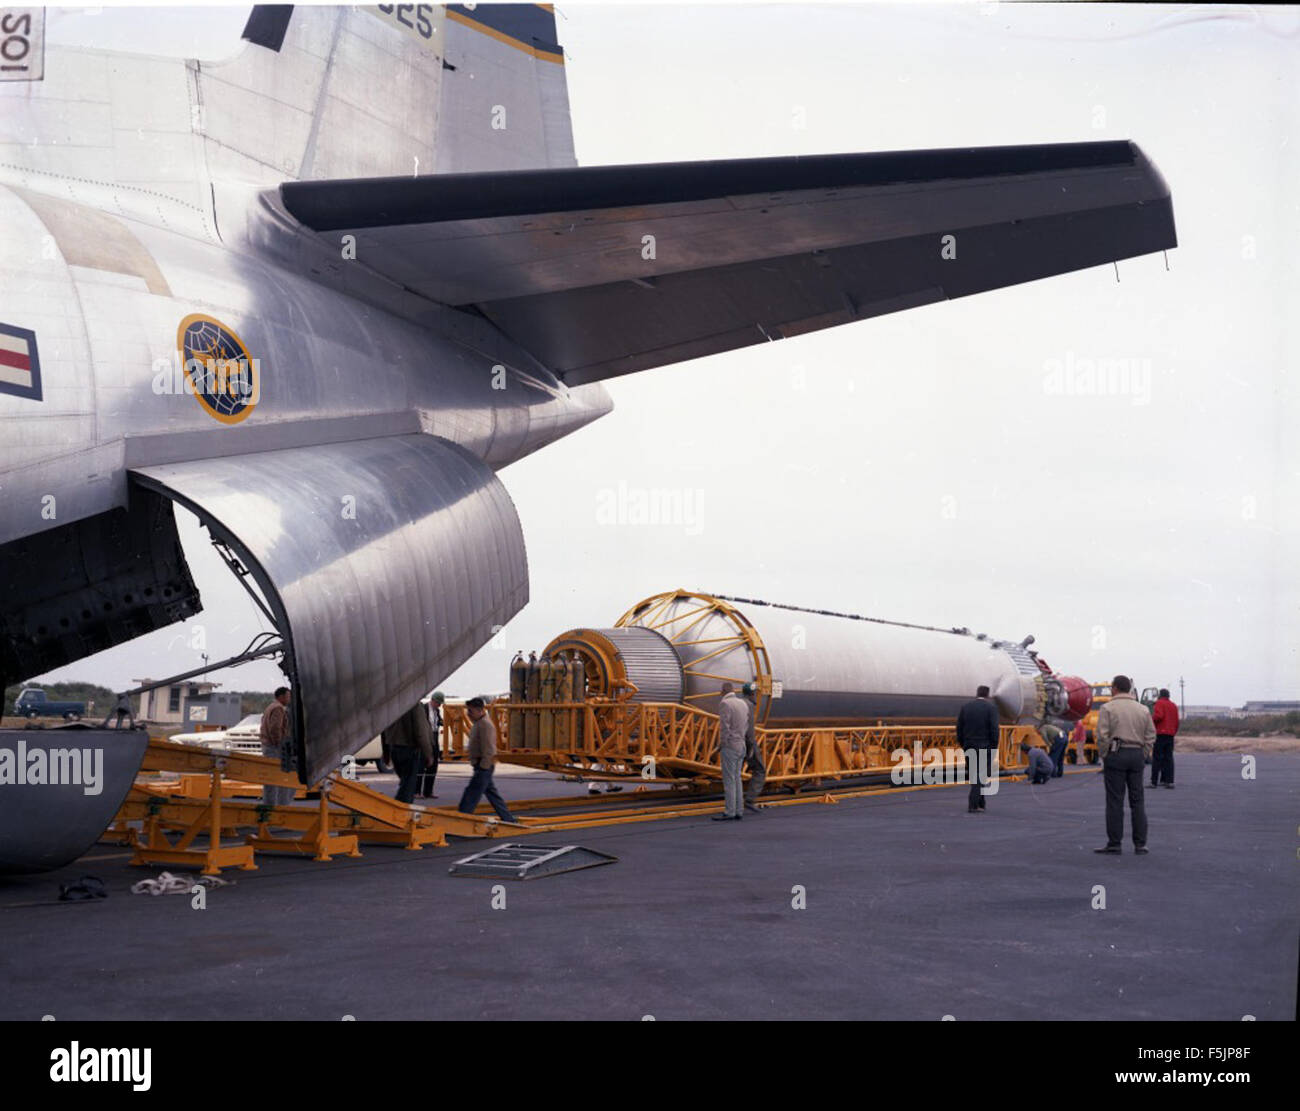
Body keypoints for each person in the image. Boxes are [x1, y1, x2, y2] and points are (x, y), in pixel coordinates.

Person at [1095, 674, 1156, 855]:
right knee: (1137, 801)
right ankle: (1140, 844)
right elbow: (1151, 735)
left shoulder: (1107, 708)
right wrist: (1143, 753)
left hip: (1116, 754)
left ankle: (1115, 843)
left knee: (1115, 801)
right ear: (1129, 688)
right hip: (1136, 754)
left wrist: (1105, 754)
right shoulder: (1143, 709)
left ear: (1114, 688)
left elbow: (1101, 735)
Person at [457, 697, 516, 822]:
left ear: (479, 710)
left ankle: (461, 819)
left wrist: (483, 766)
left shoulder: (485, 725)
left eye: (470, 711)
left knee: (471, 794)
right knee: (492, 795)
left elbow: (489, 748)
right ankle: (509, 820)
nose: (468, 714)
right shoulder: (479, 723)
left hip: (484, 766)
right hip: (481, 765)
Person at [956, 685, 1000, 813]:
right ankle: (973, 804)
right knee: (980, 776)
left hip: (969, 745)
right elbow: (994, 729)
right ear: (988, 695)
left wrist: (963, 743)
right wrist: (994, 746)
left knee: (975, 775)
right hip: (985, 746)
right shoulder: (991, 708)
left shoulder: (966, 707)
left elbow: (959, 728)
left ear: (977, 693)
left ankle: (981, 802)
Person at [384, 700, 435, 806]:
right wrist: (428, 754)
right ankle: (401, 813)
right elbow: (420, 732)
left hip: (394, 748)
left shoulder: (391, 704)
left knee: (404, 783)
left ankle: (398, 809)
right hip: (409, 749)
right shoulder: (414, 705)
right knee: (408, 787)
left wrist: (386, 751)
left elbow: (383, 729)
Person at [714, 683, 749, 822]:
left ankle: (729, 811)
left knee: (729, 780)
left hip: (730, 746)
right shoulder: (743, 704)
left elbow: (725, 727)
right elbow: (746, 725)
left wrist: (721, 744)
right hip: (741, 744)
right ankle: (739, 810)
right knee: (737, 779)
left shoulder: (725, 704)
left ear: (723, 691)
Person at [259, 687, 295, 807]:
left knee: (270, 778)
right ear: (281, 697)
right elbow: (275, 728)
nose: (289, 699)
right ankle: (279, 806)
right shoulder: (278, 708)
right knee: (279, 777)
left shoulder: (270, 707)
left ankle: (270, 804)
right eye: (288, 696)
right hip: (273, 748)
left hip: (267, 746)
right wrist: (280, 745)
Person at [741, 681, 766, 813]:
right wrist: (751, 746)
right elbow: (749, 729)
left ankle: (735, 802)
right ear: (753, 694)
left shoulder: (738, 703)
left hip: (734, 742)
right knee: (760, 770)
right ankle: (749, 800)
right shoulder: (749, 705)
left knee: (736, 773)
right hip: (746, 742)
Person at [416, 691, 445, 799]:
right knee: (421, 765)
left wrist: (442, 722)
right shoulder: (423, 709)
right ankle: (417, 791)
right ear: (433, 700)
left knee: (433, 766)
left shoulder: (437, 711)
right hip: (425, 738)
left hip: (434, 737)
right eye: (438, 703)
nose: (440, 705)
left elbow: (438, 722)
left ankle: (428, 791)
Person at [1151, 688, 1180, 789]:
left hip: (1160, 733)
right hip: (1170, 734)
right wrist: (1173, 732)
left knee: (1157, 757)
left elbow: (1159, 716)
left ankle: (1153, 781)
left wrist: (1151, 720)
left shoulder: (1159, 703)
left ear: (1160, 695)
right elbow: (1177, 722)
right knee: (1168, 758)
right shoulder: (1173, 705)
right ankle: (1168, 780)